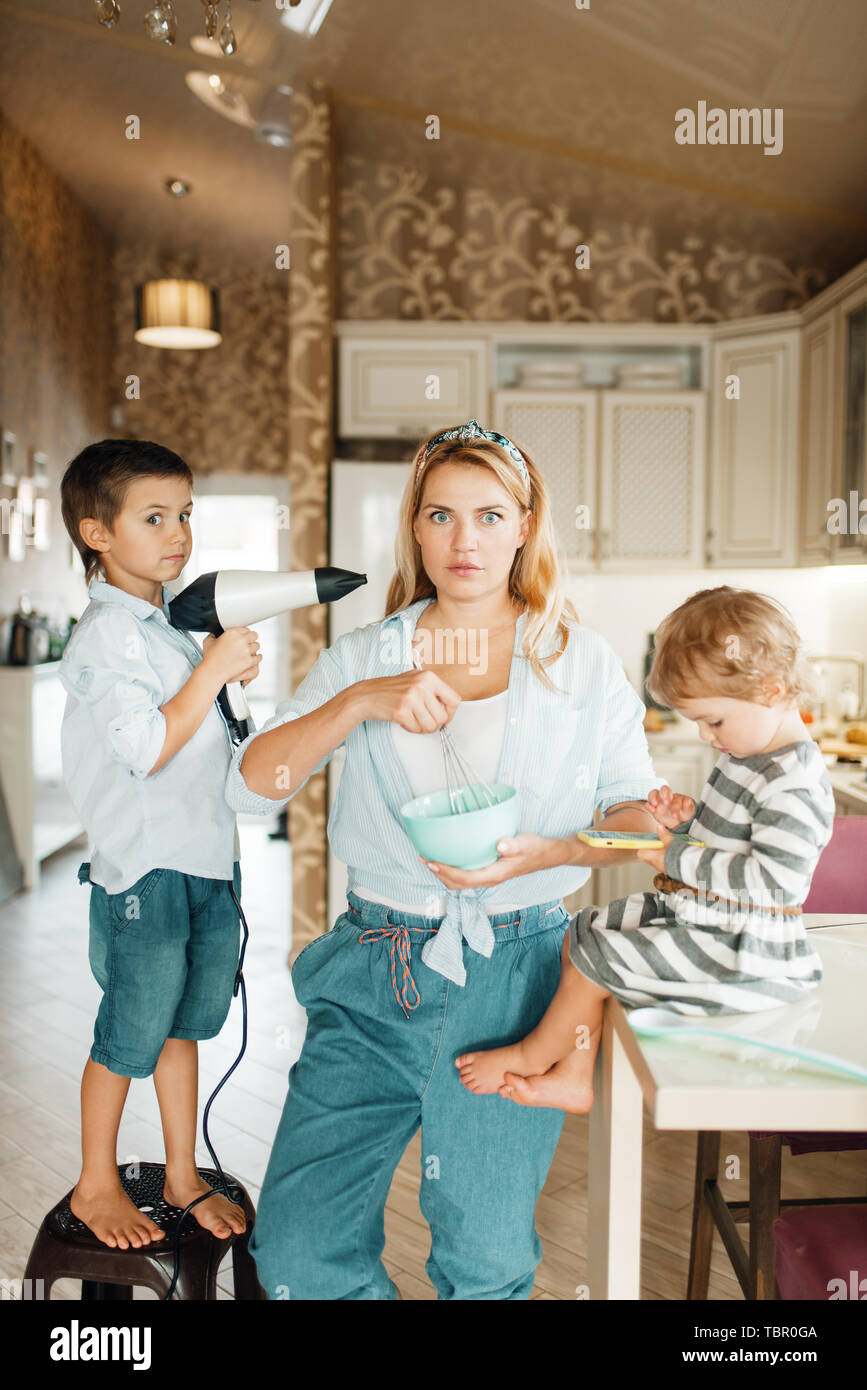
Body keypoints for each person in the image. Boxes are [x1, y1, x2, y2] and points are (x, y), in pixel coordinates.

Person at [225, 418, 668, 1300]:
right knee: (297, 1254)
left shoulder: (576, 662)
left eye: (489, 516)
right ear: (414, 528)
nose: (464, 540)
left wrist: (555, 848)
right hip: (374, 967)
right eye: (440, 516)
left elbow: (638, 822)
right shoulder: (364, 657)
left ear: (525, 525)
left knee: (486, 1261)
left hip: (521, 970)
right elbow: (252, 786)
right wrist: (356, 703)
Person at [455, 586, 836, 1114]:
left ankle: (531, 1054)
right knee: (583, 932)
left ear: (771, 690)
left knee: (598, 958)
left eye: (713, 720)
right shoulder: (748, 752)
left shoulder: (793, 782)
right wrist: (687, 826)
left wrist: (668, 855)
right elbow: (730, 842)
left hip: (749, 952)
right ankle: (575, 1072)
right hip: (709, 918)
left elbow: (773, 882)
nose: (706, 736)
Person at [58, 439, 261, 1249]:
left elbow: (210, 743)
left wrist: (216, 676)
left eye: (184, 514)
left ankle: (182, 1176)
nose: (178, 533)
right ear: (96, 533)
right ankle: (94, 1184)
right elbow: (145, 747)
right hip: (145, 869)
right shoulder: (108, 636)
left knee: (181, 1024)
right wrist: (211, 673)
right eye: (154, 517)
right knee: (130, 1031)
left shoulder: (173, 626)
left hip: (207, 861)